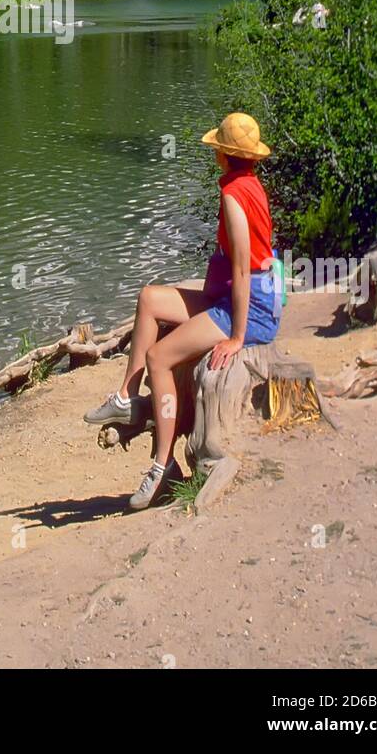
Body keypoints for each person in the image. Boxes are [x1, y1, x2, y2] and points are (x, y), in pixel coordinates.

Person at [84, 112, 282, 512]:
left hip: (251, 307)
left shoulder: (233, 195)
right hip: (234, 296)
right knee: (149, 299)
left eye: (217, 150)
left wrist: (238, 336)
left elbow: (244, 266)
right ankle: (126, 397)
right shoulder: (247, 185)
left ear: (225, 154)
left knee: (160, 358)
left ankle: (163, 466)